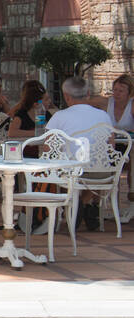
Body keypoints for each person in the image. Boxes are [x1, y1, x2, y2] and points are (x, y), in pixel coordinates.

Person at [47, 75, 111, 231]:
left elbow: (49, 148)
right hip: (101, 172)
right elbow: (111, 145)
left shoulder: (59, 116)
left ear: (66, 96)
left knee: (60, 169)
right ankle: (86, 203)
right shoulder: (103, 115)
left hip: (71, 172)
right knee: (93, 167)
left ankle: (73, 205)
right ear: (88, 93)